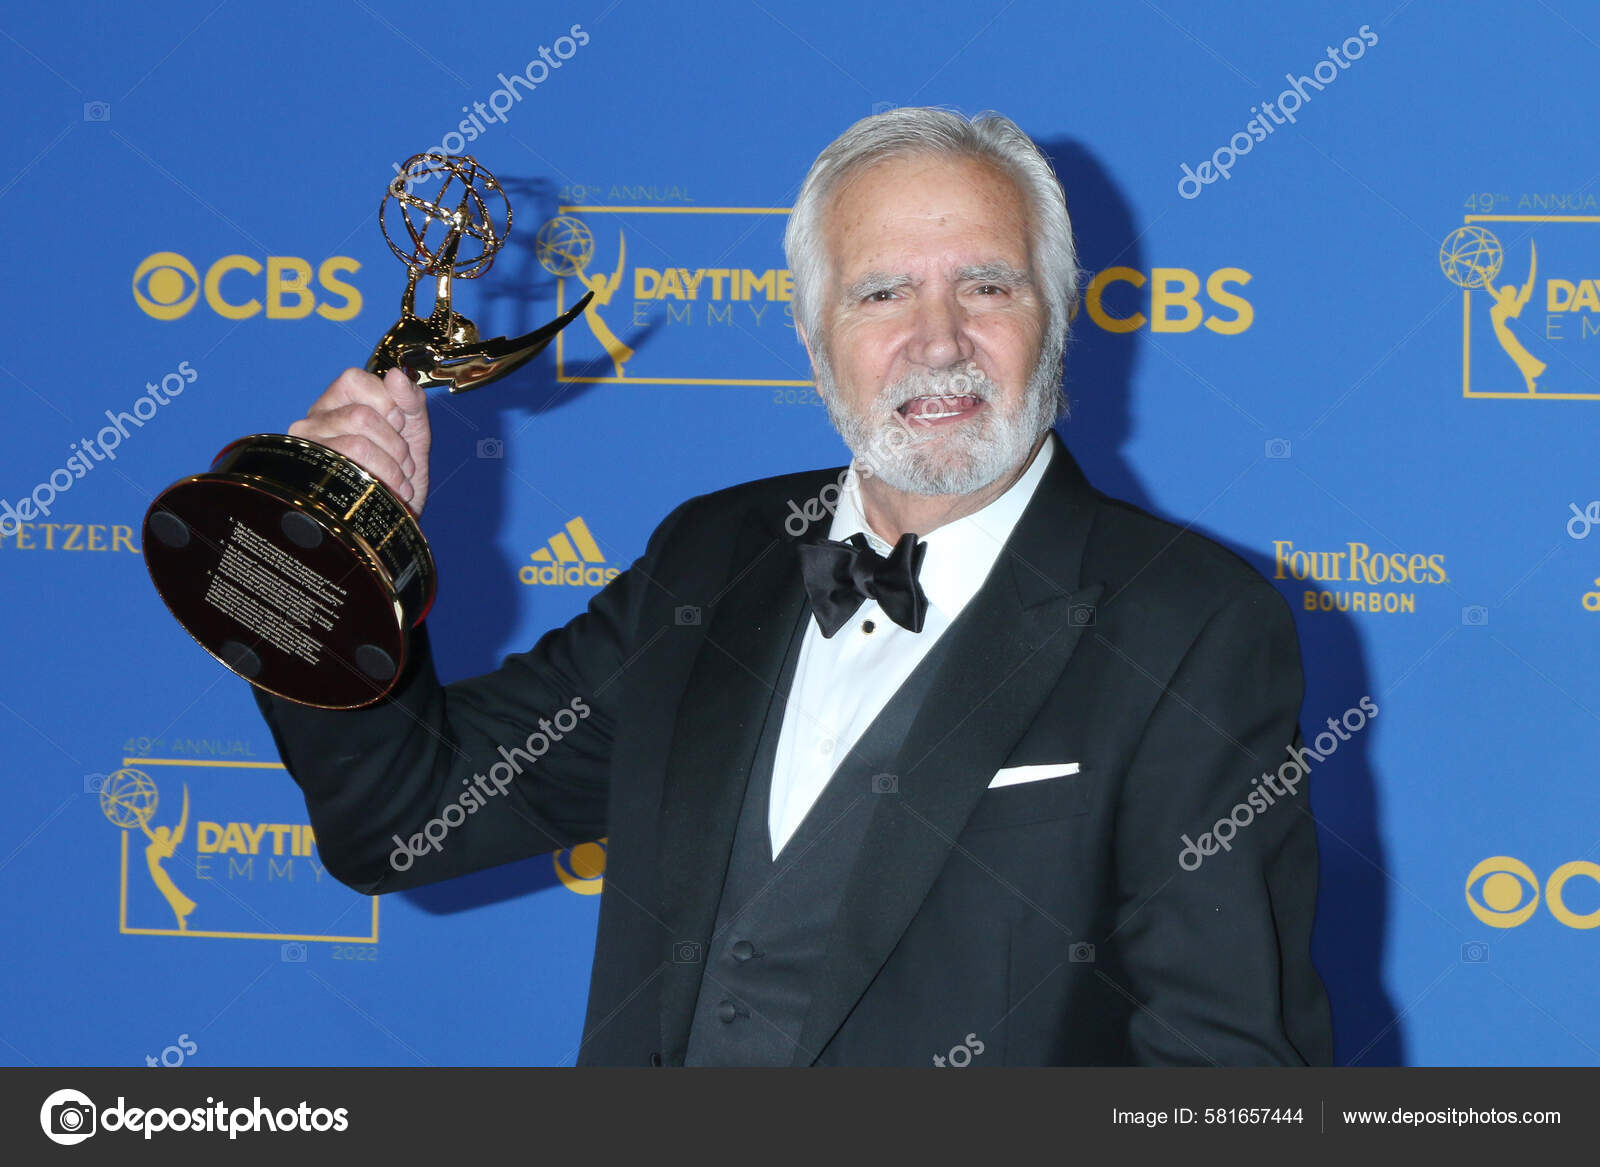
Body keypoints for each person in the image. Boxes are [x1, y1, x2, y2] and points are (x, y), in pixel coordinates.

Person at [256, 107, 1333, 1067]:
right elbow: (405, 819)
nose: (938, 340)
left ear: (1055, 317)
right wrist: (325, 571)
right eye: (881, 293)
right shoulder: (713, 557)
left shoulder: (1187, 620)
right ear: (814, 341)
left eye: (987, 285)